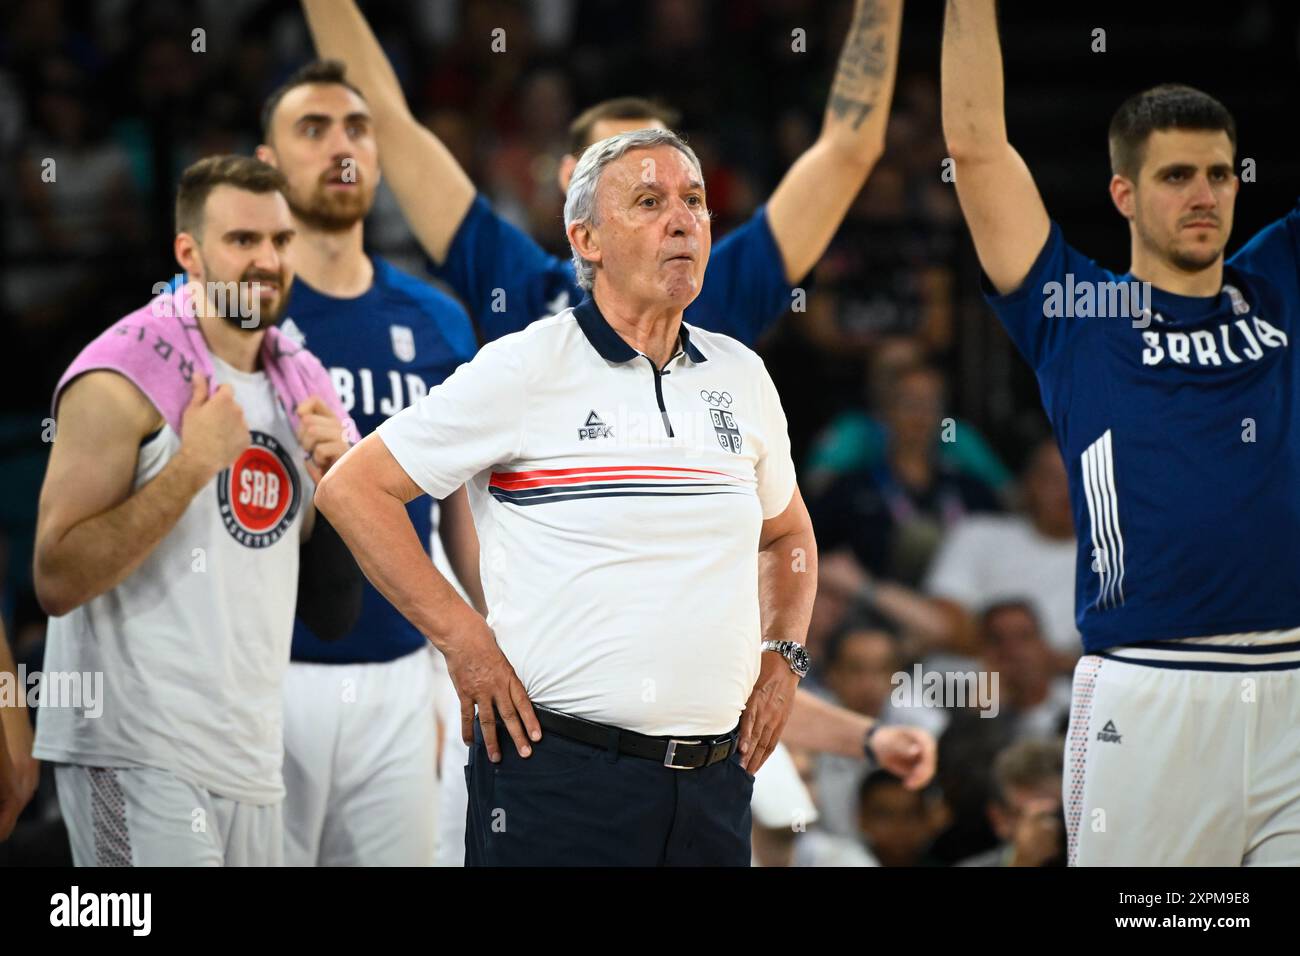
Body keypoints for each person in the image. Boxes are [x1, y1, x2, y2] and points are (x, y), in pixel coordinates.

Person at [318, 128, 817, 866]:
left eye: (694, 201)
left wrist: (785, 655)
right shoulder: (525, 366)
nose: (682, 220)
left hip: (715, 787)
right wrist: (466, 643)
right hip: (559, 780)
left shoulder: (741, 375)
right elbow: (353, 489)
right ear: (586, 239)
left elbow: (788, 537)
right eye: (649, 202)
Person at [943, 0, 1300, 865]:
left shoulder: (1280, 279)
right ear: (1124, 193)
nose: (1205, 194)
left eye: (1219, 174)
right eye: (1177, 175)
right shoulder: (1078, 310)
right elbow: (977, 144)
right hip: (1152, 689)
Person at [31, 155, 357, 866]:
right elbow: (55, 578)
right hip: (130, 748)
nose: (266, 261)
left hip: (249, 759)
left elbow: (333, 616)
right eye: (242, 241)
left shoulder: (301, 384)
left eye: (279, 240)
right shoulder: (120, 374)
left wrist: (336, 487)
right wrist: (189, 467)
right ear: (189, 252)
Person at [300, 0, 905, 344]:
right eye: (615, 171)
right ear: (570, 185)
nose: (652, 199)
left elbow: (848, 151)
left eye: (665, 187)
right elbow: (387, 119)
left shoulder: (720, 284)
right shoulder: (518, 280)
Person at [255, 59, 484, 867]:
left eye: (357, 128)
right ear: (268, 164)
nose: (341, 146)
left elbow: (460, 508)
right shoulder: (238, 317)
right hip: (261, 671)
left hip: (397, 669)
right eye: (312, 130)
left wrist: (490, 636)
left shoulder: (440, 320)